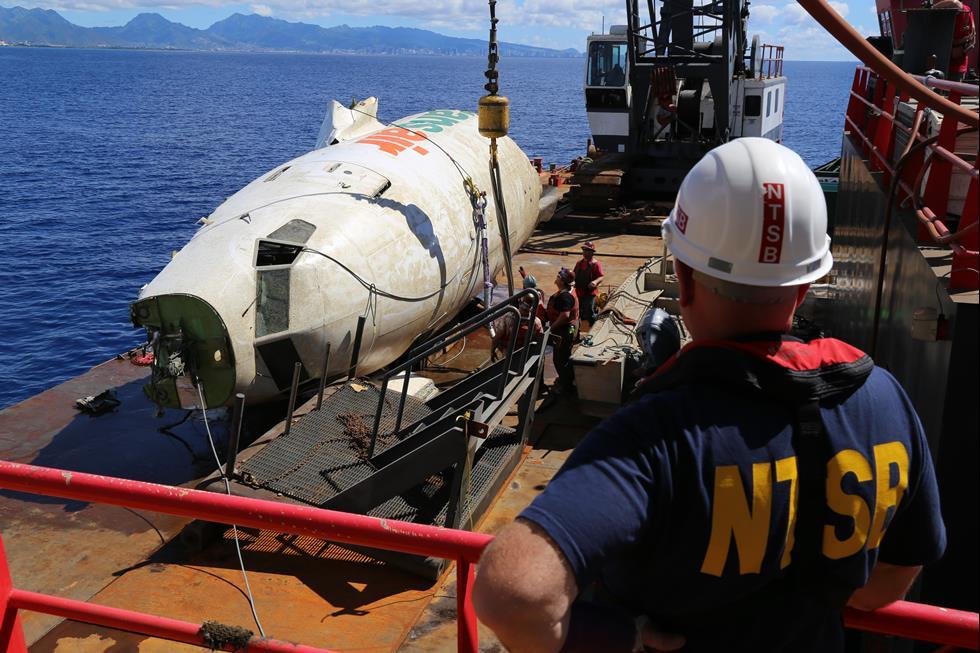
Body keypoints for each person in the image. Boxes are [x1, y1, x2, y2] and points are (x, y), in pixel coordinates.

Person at [472, 138, 946, 653]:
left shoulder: (655, 437)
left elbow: (513, 596)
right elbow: (888, 583)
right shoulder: (884, 399)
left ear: (685, 277)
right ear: (806, 283)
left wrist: (620, 636)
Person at [545, 267, 579, 392]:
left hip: (564, 331)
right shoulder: (567, 291)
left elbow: (564, 316)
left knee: (559, 359)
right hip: (567, 329)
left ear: (563, 281)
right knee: (564, 356)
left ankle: (566, 386)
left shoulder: (565, 297)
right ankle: (566, 379)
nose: (557, 277)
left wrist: (550, 329)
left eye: (559, 276)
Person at [933, 0, 976, 81]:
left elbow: (954, 3)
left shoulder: (959, 7)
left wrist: (931, 8)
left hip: (950, 64)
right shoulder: (967, 9)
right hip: (957, 63)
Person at [573, 241, 604, 329]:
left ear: (592, 252)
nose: (585, 252)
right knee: (576, 313)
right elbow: (574, 275)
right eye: (584, 250)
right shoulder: (579, 263)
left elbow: (601, 276)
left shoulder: (596, 264)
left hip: (589, 294)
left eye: (587, 250)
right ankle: (576, 331)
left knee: (589, 312)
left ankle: (593, 329)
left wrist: (595, 282)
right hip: (578, 292)